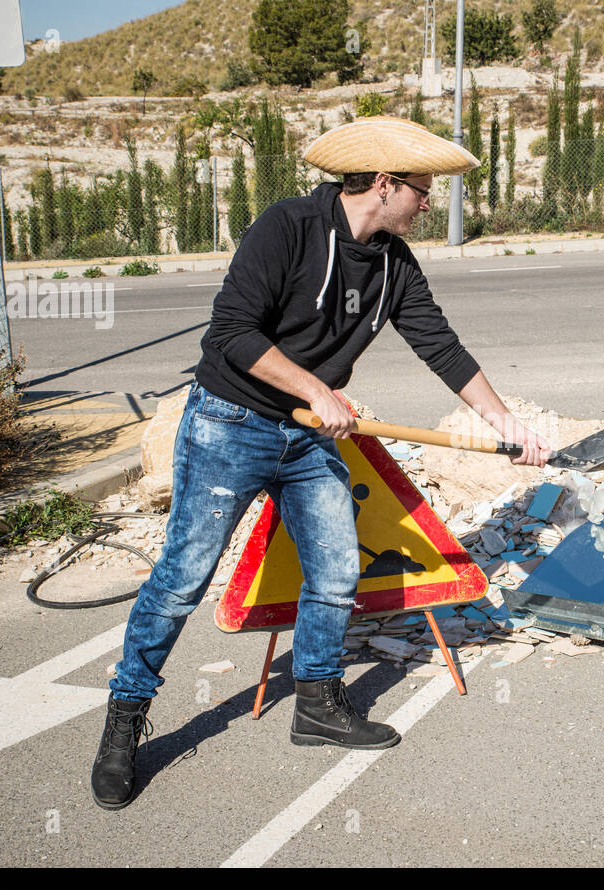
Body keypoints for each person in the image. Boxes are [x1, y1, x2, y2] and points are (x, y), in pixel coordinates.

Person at [90, 117, 551, 810]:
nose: (430, 203)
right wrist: (314, 388)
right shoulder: (288, 227)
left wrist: (504, 420)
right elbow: (231, 332)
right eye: (423, 190)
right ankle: (125, 718)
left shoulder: (394, 262)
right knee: (184, 576)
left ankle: (317, 702)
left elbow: (442, 347)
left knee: (336, 567)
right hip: (230, 423)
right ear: (386, 183)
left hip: (308, 439)